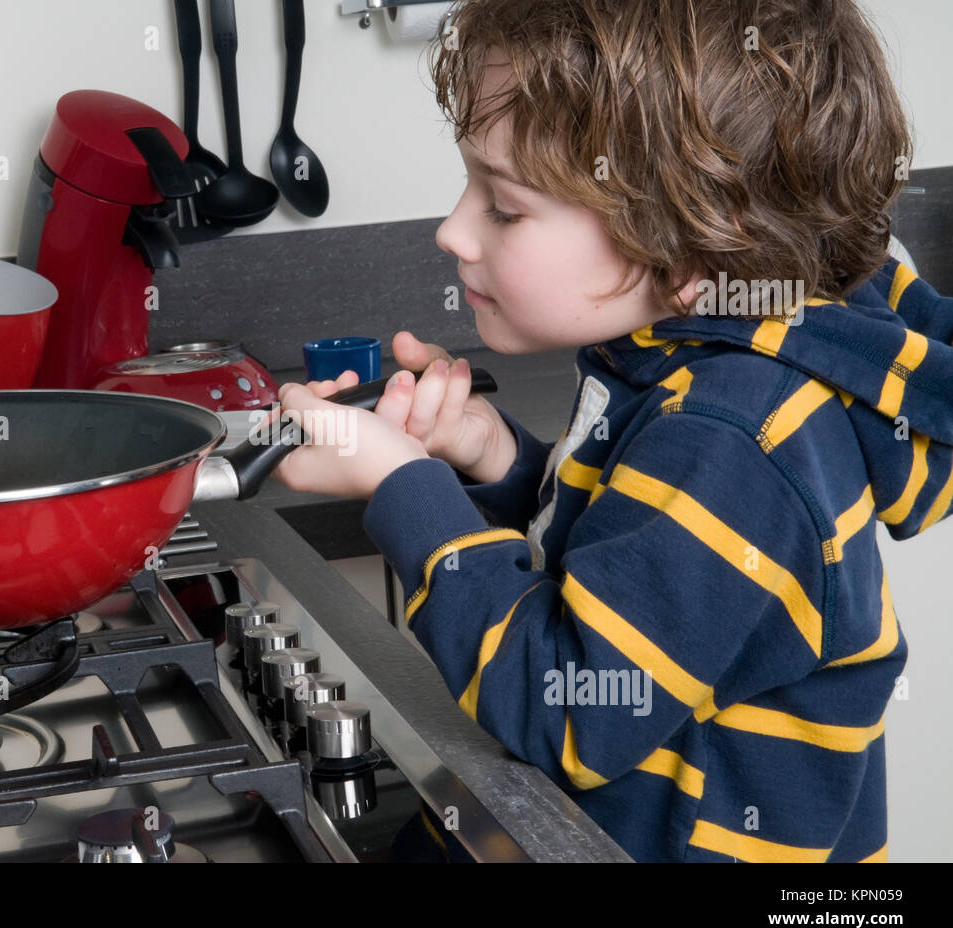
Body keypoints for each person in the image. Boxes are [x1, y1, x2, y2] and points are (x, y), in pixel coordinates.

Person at [268, 0, 950, 862]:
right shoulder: (680, 357)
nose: (451, 230)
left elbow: (568, 702)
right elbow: (624, 557)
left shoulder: (737, 438)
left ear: (692, 247)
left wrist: (403, 485)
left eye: (503, 208)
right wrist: (494, 453)